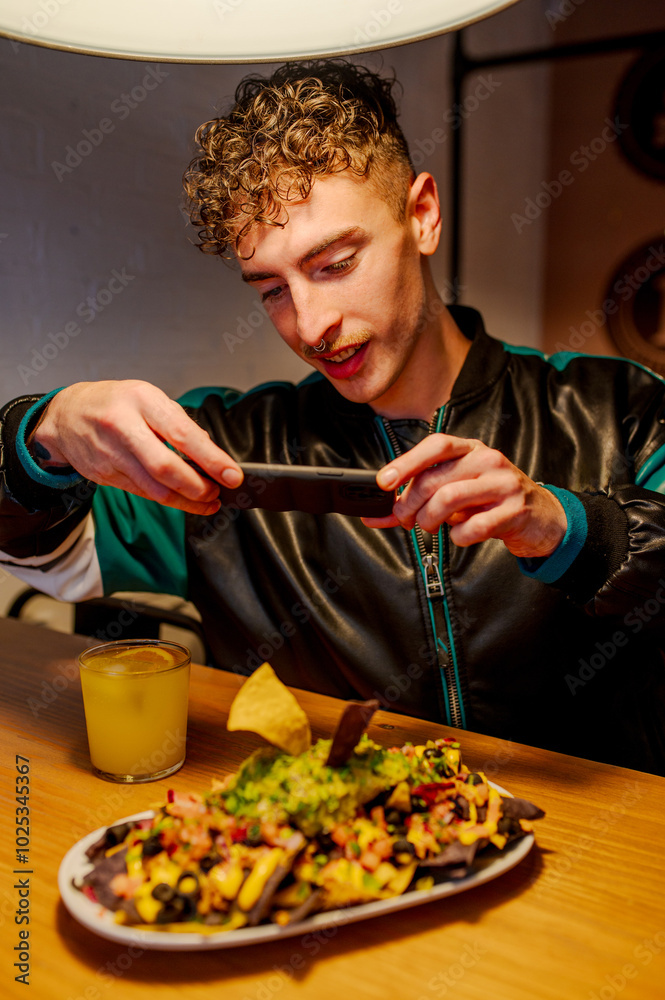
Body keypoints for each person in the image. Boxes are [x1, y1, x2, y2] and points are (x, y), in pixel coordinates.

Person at [1, 60, 664, 774]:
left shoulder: (617, 407)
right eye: (271, 290)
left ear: (421, 215)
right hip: (332, 837)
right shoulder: (222, 450)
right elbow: (43, 554)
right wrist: (44, 434)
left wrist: (563, 526)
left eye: (336, 264)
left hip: (589, 839)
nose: (310, 326)